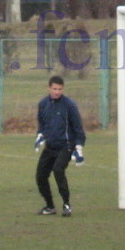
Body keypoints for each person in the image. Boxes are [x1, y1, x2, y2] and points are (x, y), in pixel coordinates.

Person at [34, 75, 85, 217]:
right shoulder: (43, 104)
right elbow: (42, 125)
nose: (57, 92)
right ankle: (50, 206)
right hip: (50, 147)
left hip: (66, 146)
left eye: (60, 89)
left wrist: (79, 147)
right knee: (40, 176)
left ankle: (66, 204)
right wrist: (40, 136)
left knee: (58, 170)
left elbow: (78, 128)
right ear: (49, 88)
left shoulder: (69, 105)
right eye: (54, 89)